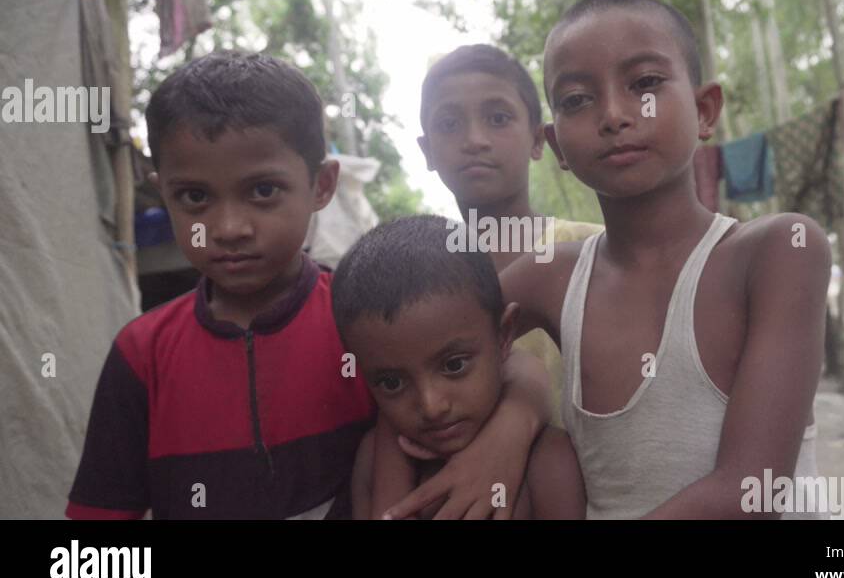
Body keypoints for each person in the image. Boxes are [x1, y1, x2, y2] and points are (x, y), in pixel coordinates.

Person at [384, 0, 831, 520]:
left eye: (644, 84)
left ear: (705, 109)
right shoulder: (550, 276)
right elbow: (428, 353)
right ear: (556, 147)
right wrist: (518, 413)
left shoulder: (777, 252)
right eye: (576, 99)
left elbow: (751, 490)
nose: (615, 115)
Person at [66, 51, 548, 519]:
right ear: (162, 190)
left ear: (321, 185)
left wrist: (511, 430)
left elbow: (509, 369)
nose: (230, 226)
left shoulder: (363, 320)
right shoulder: (141, 355)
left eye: (262, 191)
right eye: (194, 197)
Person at [333, 215, 585, 519]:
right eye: (392, 383)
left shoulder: (550, 463)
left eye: (453, 365)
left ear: (505, 336)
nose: (431, 406)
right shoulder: (373, 458)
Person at [417, 44, 603, 428]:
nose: (474, 140)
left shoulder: (594, 251)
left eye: (498, 118)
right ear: (427, 151)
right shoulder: (417, 283)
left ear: (537, 140)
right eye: (449, 124)